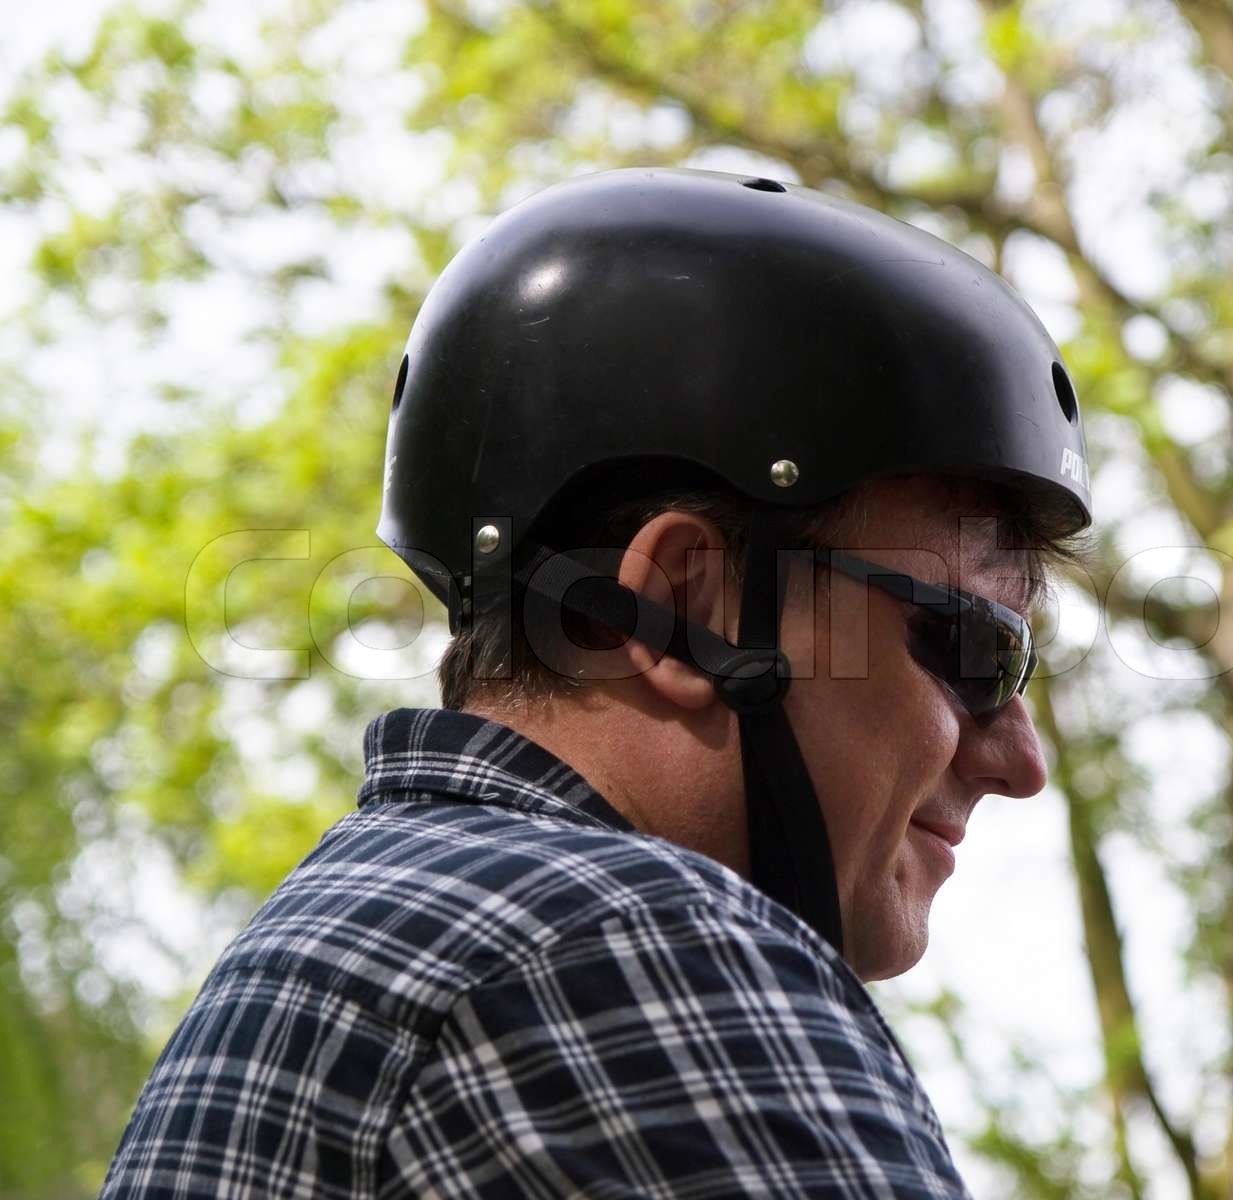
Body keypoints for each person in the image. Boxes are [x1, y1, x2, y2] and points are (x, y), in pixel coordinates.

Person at [101, 167, 1093, 1198]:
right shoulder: (618, 948)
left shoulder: (329, 952)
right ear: (681, 603)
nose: (1019, 761)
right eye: (976, 651)